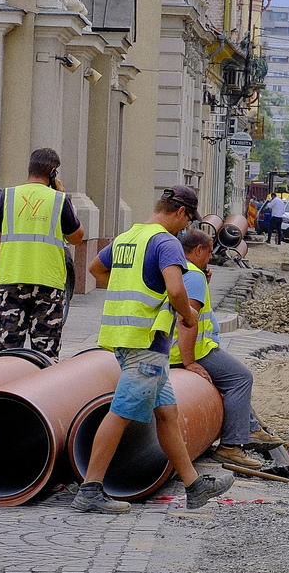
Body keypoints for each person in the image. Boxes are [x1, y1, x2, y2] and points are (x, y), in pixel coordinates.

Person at [68, 186, 232, 515]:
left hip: (127, 339)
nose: (185, 230)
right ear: (181, 213)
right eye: (187, 222)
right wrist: (188, 315)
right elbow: (175, 289)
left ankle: (193, 484)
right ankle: (90, 489)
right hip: (146, 343)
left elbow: (97, 269)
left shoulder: (130, 236)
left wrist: (129, 285)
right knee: (122, 412)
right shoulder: (166, 242)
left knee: (166, 414)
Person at [175, 228, 276, 468]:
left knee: (233, 380)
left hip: (184, 348)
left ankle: (251, 427)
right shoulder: (194, 276)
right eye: (208, 252)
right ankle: (231, 445)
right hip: (193, 351)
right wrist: (190, 362)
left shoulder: (178, 270)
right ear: (198, 250)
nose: (210, 257)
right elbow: (187, 321)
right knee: (241, 378)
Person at [0, 148, 88, 357]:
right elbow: (77, 237)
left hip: (11, 281)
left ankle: (9, 387)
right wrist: (66, 198)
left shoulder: (7, 196)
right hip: (48, 284)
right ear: (53, 172)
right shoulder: (59, 200)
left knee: (9, 351)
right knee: (46, 352)